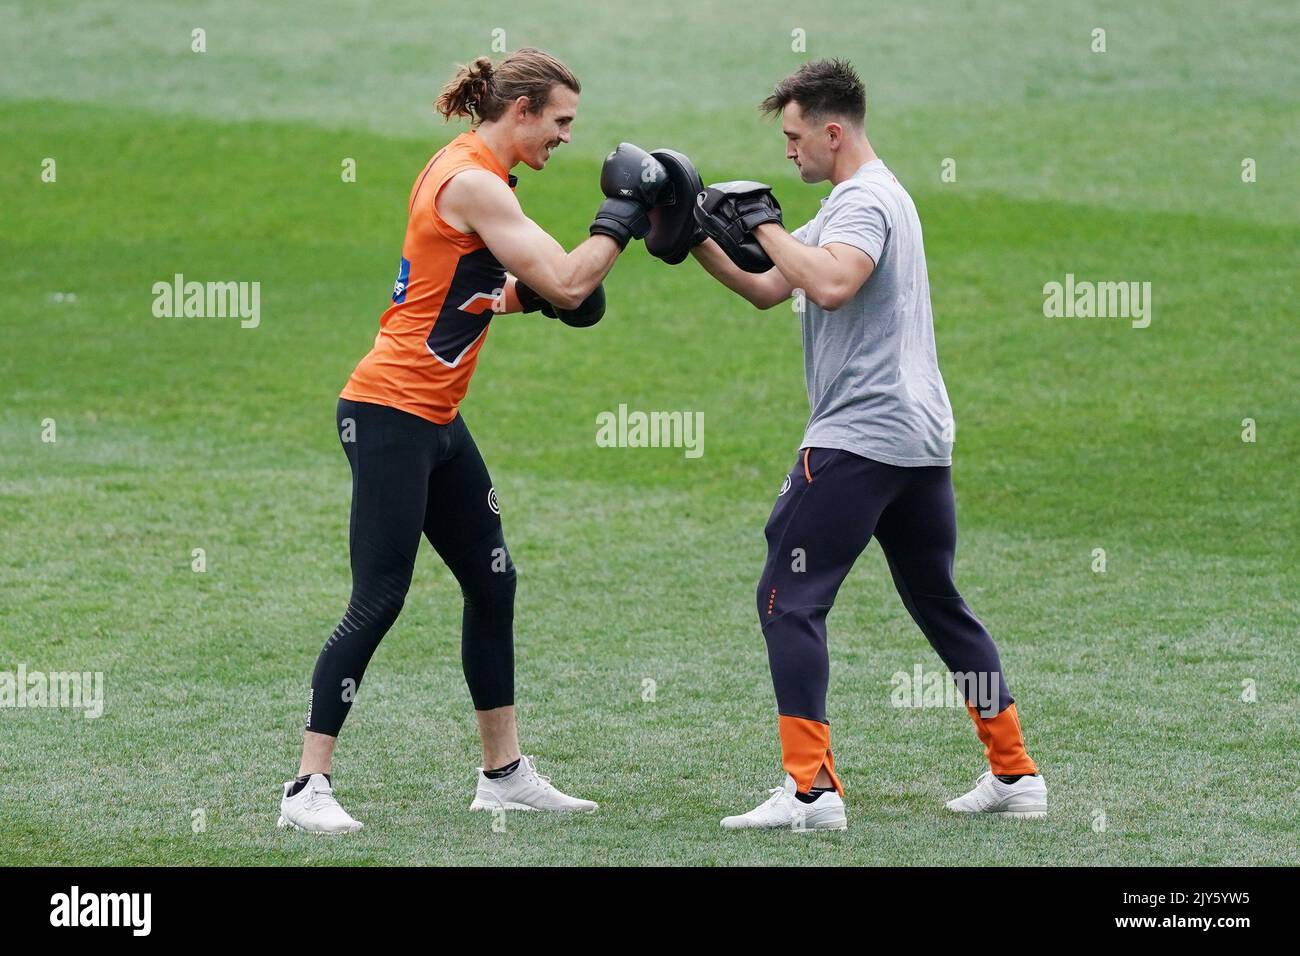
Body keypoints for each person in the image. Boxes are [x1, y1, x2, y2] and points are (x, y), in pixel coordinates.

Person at [278, 48, 668, 833]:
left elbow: (469, 291)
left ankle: (504, 774)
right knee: (379, 598)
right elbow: (568, 277)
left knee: (493, 583)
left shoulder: (478, 175)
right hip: (389, 413)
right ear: (520, 111)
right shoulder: (474, 182)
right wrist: (620, 218)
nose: (566, 138)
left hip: (436, 421)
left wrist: (541, 301)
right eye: (560, 122)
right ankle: (306, 789)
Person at [671, 59, 1046, 830]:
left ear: (832, 132)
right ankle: (1014, 772)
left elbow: (833, 283)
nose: (788, 153)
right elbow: (774, 285)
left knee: (786, 598)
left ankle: (810, 792)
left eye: (795, 136)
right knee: (938, 602)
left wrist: (764, 222)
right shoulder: (864, 199)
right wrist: (689, 239)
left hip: (859, 437)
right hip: (917, 441)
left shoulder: (864, 203)